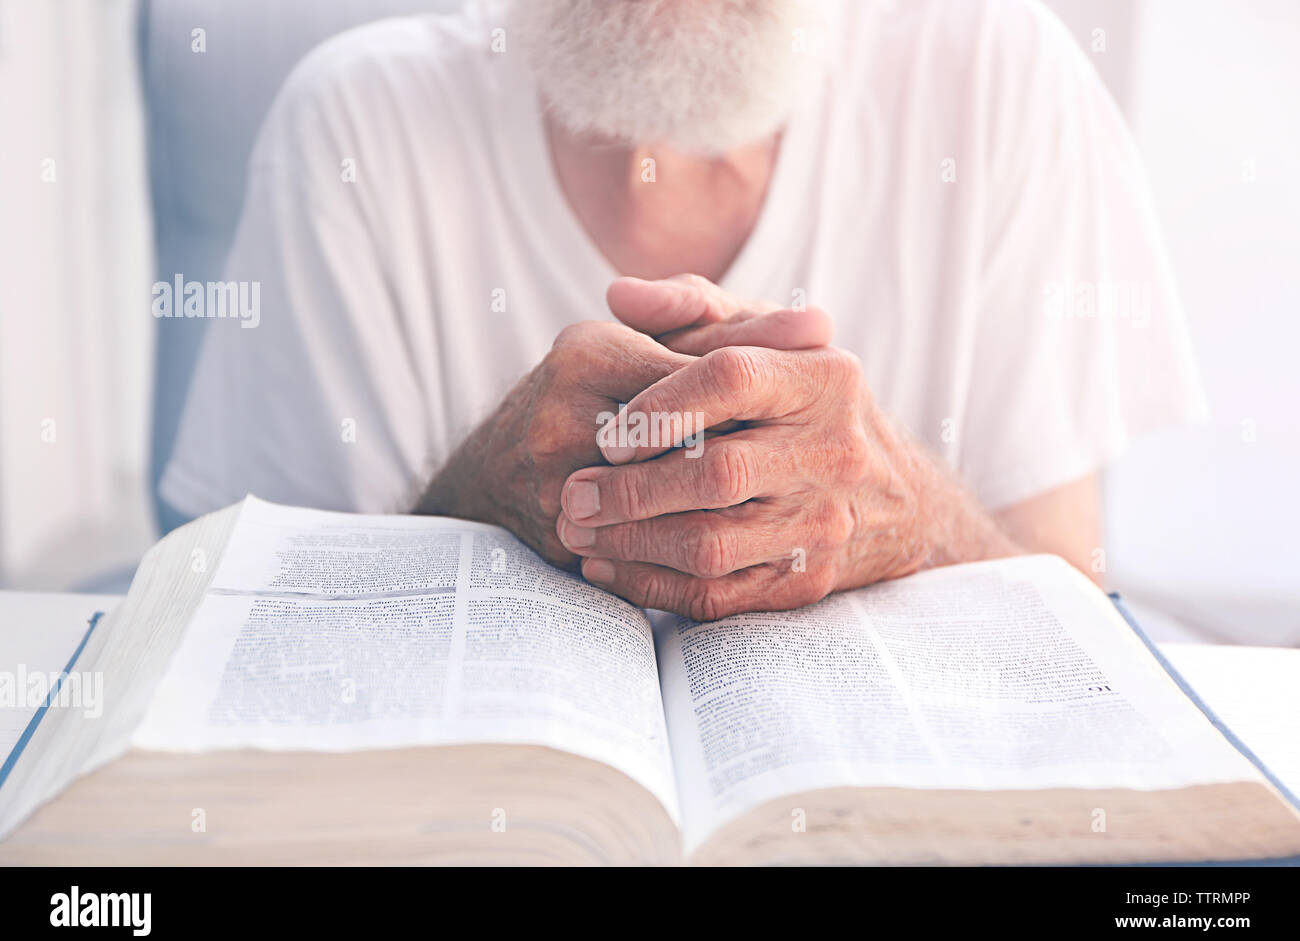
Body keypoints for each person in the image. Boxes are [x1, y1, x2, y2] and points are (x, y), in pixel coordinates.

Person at [160, 0, 1205, 620]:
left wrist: (906, 517)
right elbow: (277, 645)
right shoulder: (356, 123)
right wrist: (479, 497)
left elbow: (1066, 630)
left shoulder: (998, 78)